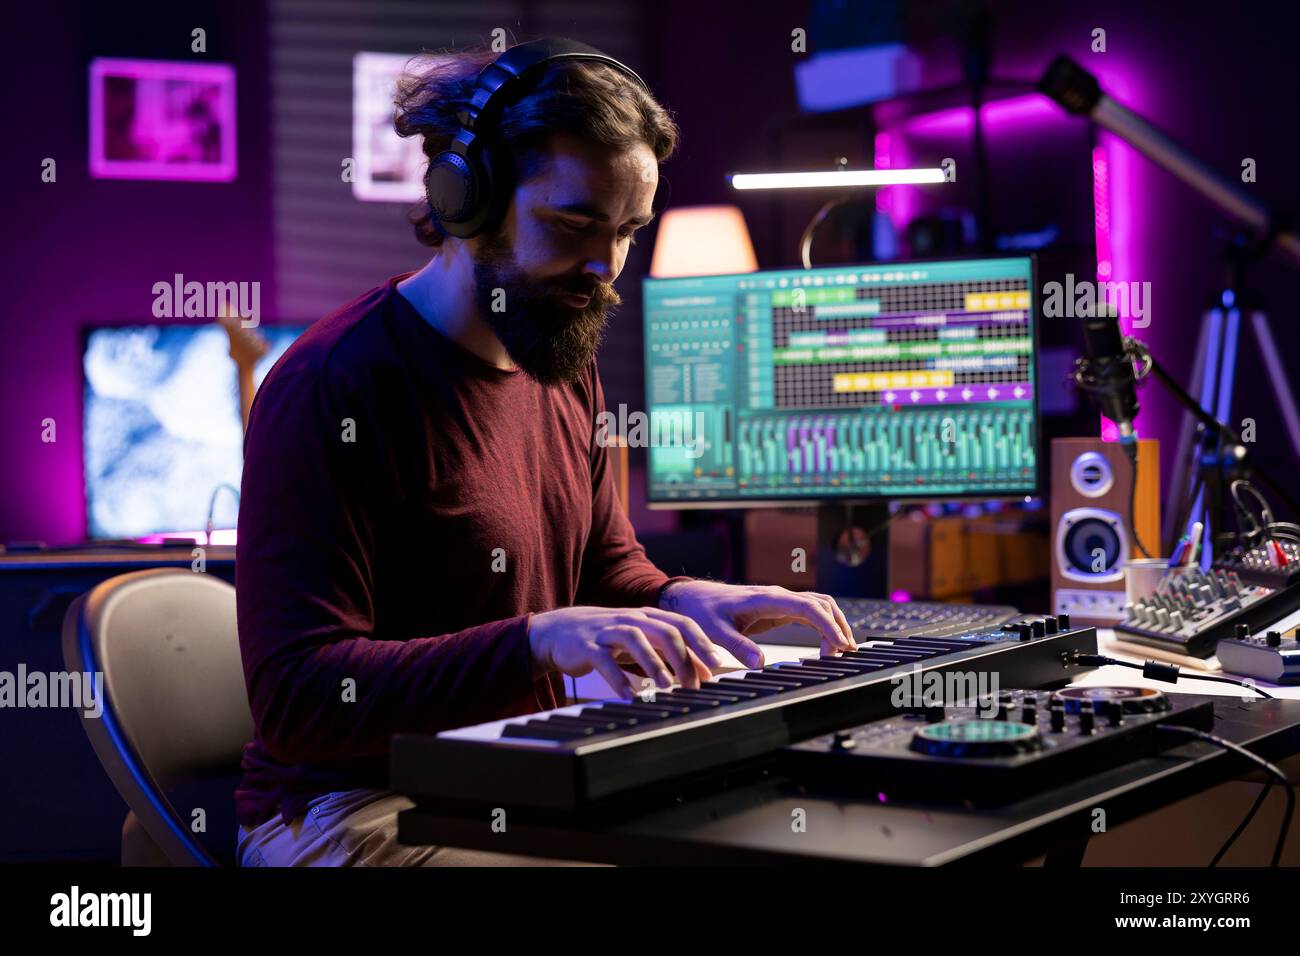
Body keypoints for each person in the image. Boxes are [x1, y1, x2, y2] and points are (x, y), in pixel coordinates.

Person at [234, 38, 855, 867]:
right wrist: (533, 641)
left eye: (628, 230)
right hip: (349, 807)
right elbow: (299, 696)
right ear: (468, 200)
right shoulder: (334, 385)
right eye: (572, 225)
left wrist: (683, 597)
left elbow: (607, 570)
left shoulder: (562, 363)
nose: (606, 268)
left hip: (517, 771)